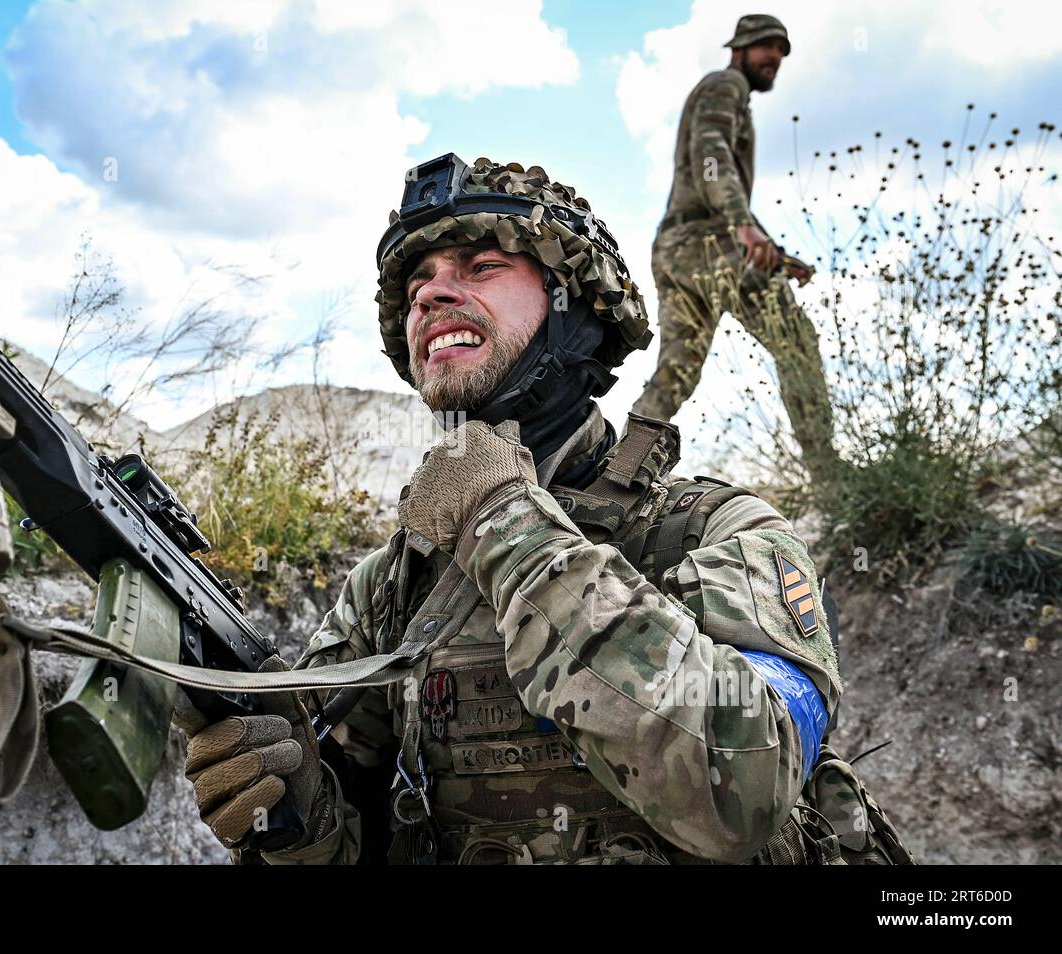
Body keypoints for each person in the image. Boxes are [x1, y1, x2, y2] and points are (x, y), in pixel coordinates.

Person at [181, 154, 910, 865]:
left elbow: (745, 790)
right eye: (418, 287)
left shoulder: (721, 531)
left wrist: (506, 520)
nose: (432, 296)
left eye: (481, 267)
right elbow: (359, 832)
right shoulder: (390, 587)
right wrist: (292, 814)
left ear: (578, 309)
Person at [632, 14, 839, 483]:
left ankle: (617, 477)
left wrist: (777, 254)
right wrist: (742, 226)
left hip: (677, 247)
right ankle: (830, 480)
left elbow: (713, 175)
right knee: (797, 344)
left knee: (674, 378)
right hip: (710, 244)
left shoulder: (727, 95)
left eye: (782, 50)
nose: (776, 58)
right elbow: (711, 158)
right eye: (767, 46)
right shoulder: (726, 86)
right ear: (739, 48)